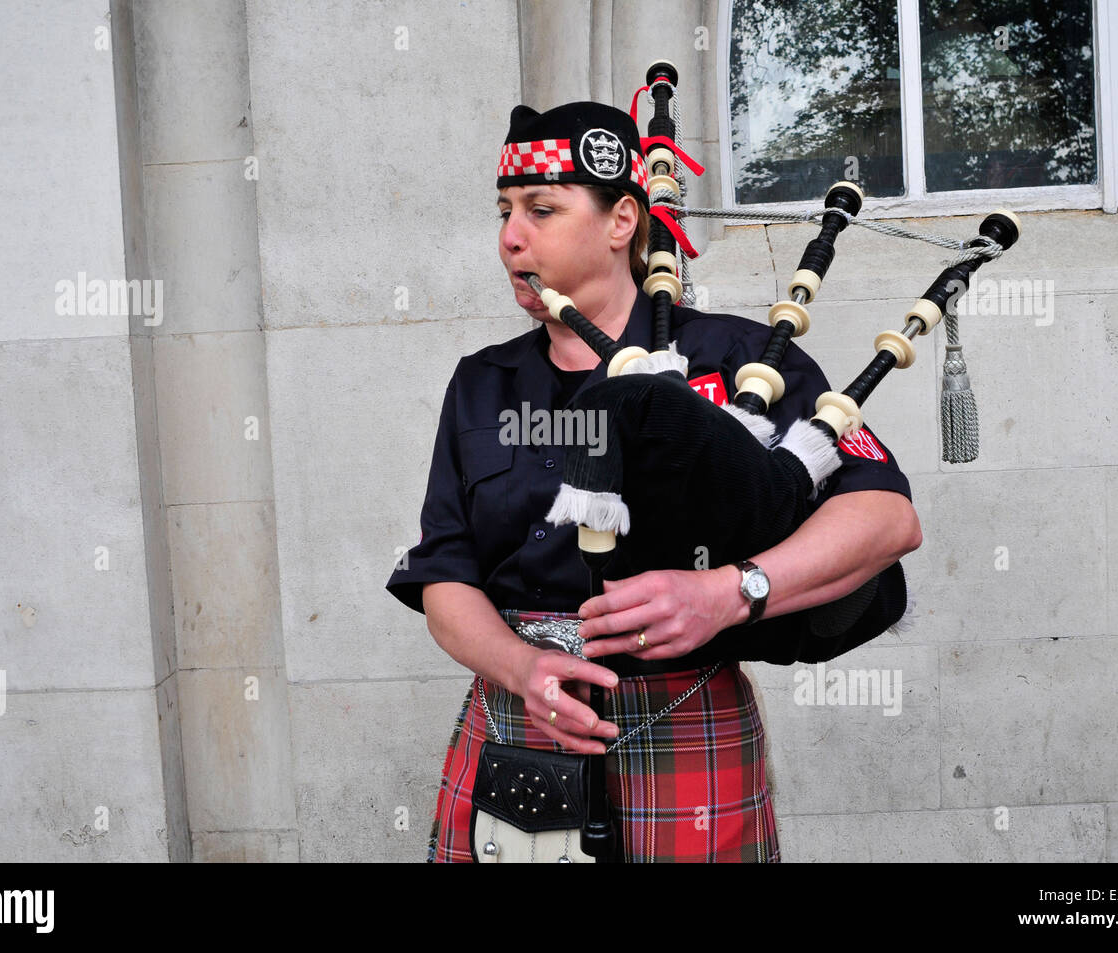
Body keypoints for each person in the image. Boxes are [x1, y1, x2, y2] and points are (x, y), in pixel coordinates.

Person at [386, 100, 922, 862]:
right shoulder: (483, 385)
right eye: (504, 212)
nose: (510, 237)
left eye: (540, 209)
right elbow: (443, 577)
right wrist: (524, 668)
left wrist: (732, 591)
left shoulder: (739, 358)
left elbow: (886, 516)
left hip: (683, 712)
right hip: (520, 719)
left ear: (621, 221)